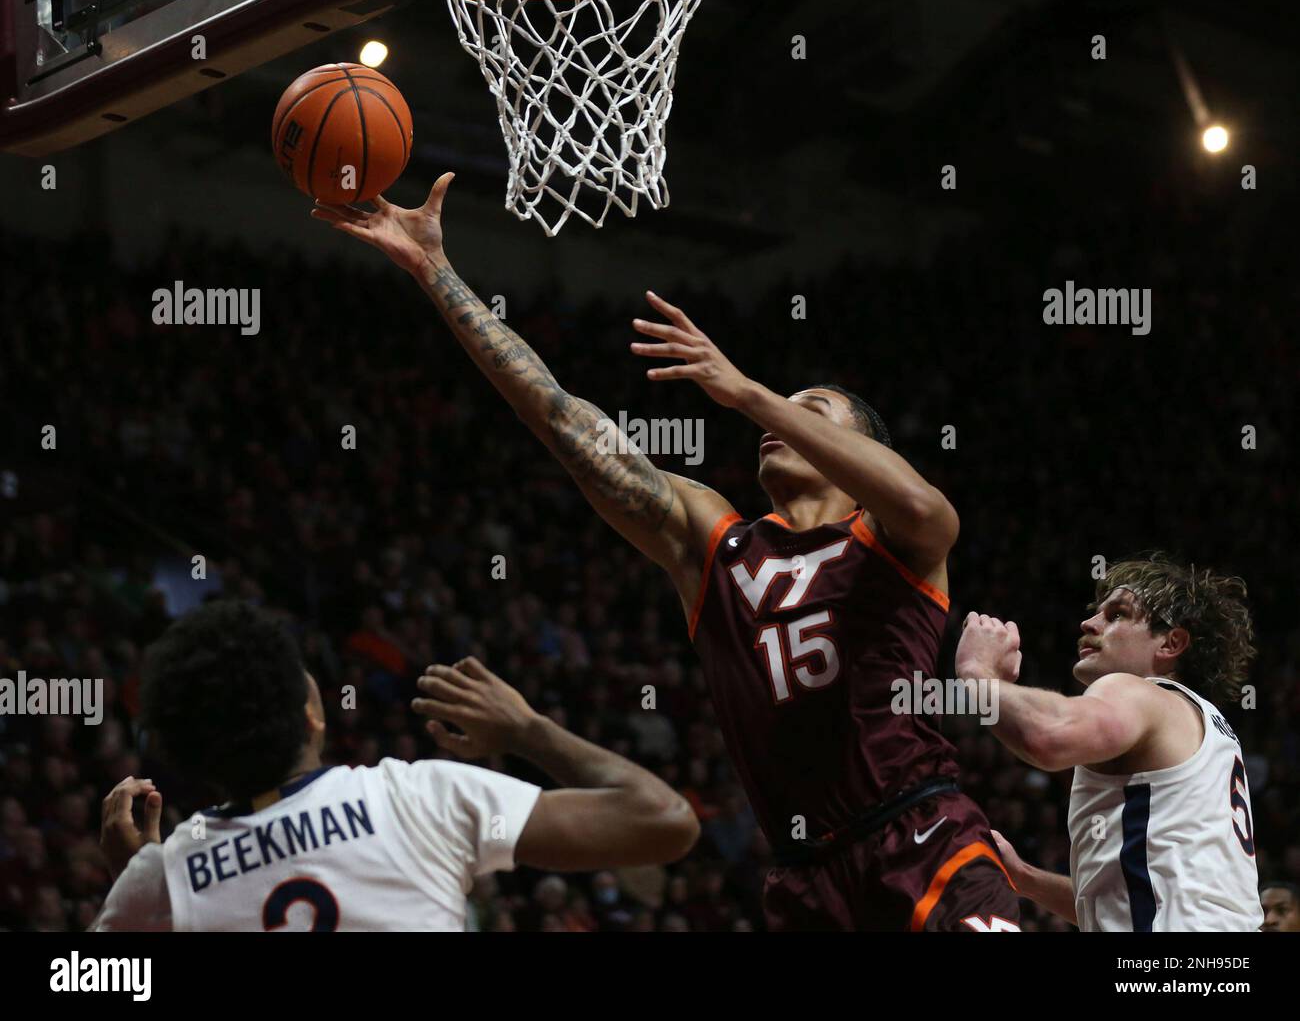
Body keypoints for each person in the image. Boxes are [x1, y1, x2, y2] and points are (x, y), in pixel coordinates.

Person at [311, 177, 1019, 931]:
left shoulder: (892, 541)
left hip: (924, 837)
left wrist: (747, 392)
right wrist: (434, 271)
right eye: (781, 408)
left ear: (857, 452)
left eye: (811, 411)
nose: (780, 420)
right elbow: (562, 419)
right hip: (805, 878)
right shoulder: (715, 540)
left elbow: (926, 506)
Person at [91, 601, 697, 931]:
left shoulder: (165, 877)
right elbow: (665, 820)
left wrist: (140, 883)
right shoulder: (419, 797)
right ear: (312, 710)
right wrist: (527, 731)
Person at [956, 556, 1264, 931]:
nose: (1089, 623)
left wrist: (978, 673)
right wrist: (1026, 879)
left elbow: (1048, 736)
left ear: (1171, 643)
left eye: (1117, 614)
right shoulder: (1213, 729)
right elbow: (1141, 900)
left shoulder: (1138, 692)